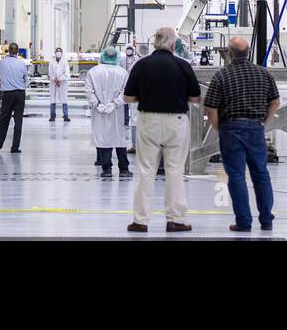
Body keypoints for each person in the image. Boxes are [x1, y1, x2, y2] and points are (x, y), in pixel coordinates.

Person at [123, 26, 201, 233]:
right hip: (176, 121)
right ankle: (175, 219)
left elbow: (128, 97)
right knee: (174, 171)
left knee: (146, 171)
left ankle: (140, 221)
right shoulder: (183, 66)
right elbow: (195, 97)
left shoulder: (141, 65)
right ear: (173, 44)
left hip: (148, 120)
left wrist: (148, 96)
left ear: (154, 42)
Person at [203, 36, 280, 232]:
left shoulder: (221, 75)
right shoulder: (264, 73)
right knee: (261, 173)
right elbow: (275, 101)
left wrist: (219, 127)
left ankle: (244, 222)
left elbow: (210, 108)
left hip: (231, 127)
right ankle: (266, 220)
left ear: (229, 53)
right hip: (256, 127)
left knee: (236, 175)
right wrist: (264, 121)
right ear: (248, 53)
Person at [86, 47, 131, 178]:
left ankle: (106, 169)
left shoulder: (93, 72)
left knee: (104, 139)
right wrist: (115, 103)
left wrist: (98, 104)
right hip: (116, 111)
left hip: (99, 111)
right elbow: (126, 91)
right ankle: (124, 169)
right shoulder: (122, 73)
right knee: (119, 139)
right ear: (117, 56)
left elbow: (89, 91)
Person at [0, 43, 29, 153]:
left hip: (7, 94)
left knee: (3, 120)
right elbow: (26, 80)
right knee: (18, 121)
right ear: (17, 52)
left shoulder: (2, 62)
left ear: (8, 51)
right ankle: (15, 147)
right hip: (19, 94)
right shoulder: (22, 64)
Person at [121, 44, 140, 150]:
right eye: (127, 49)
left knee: (135, 118)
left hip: (134, 90)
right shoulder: (122, 60)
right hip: (127, 86)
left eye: (130, 49)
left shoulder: (137, 60)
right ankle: (135, 145)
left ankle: (135, 145)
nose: (129, 51)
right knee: (133, 117)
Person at [48, 47, 71, 122]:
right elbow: (50, 73)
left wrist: (59, 79)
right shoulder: (51, 62)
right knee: (53, 99)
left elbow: (67, 74)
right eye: (57, 51)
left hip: (62, 83)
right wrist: (55, 79)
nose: (58, 52)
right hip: (53, 83)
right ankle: (52, 115)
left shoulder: (65, 62)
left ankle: (65, 115)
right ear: (55, 53)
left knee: (64, 98)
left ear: (62, 53)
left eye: (60, 51)